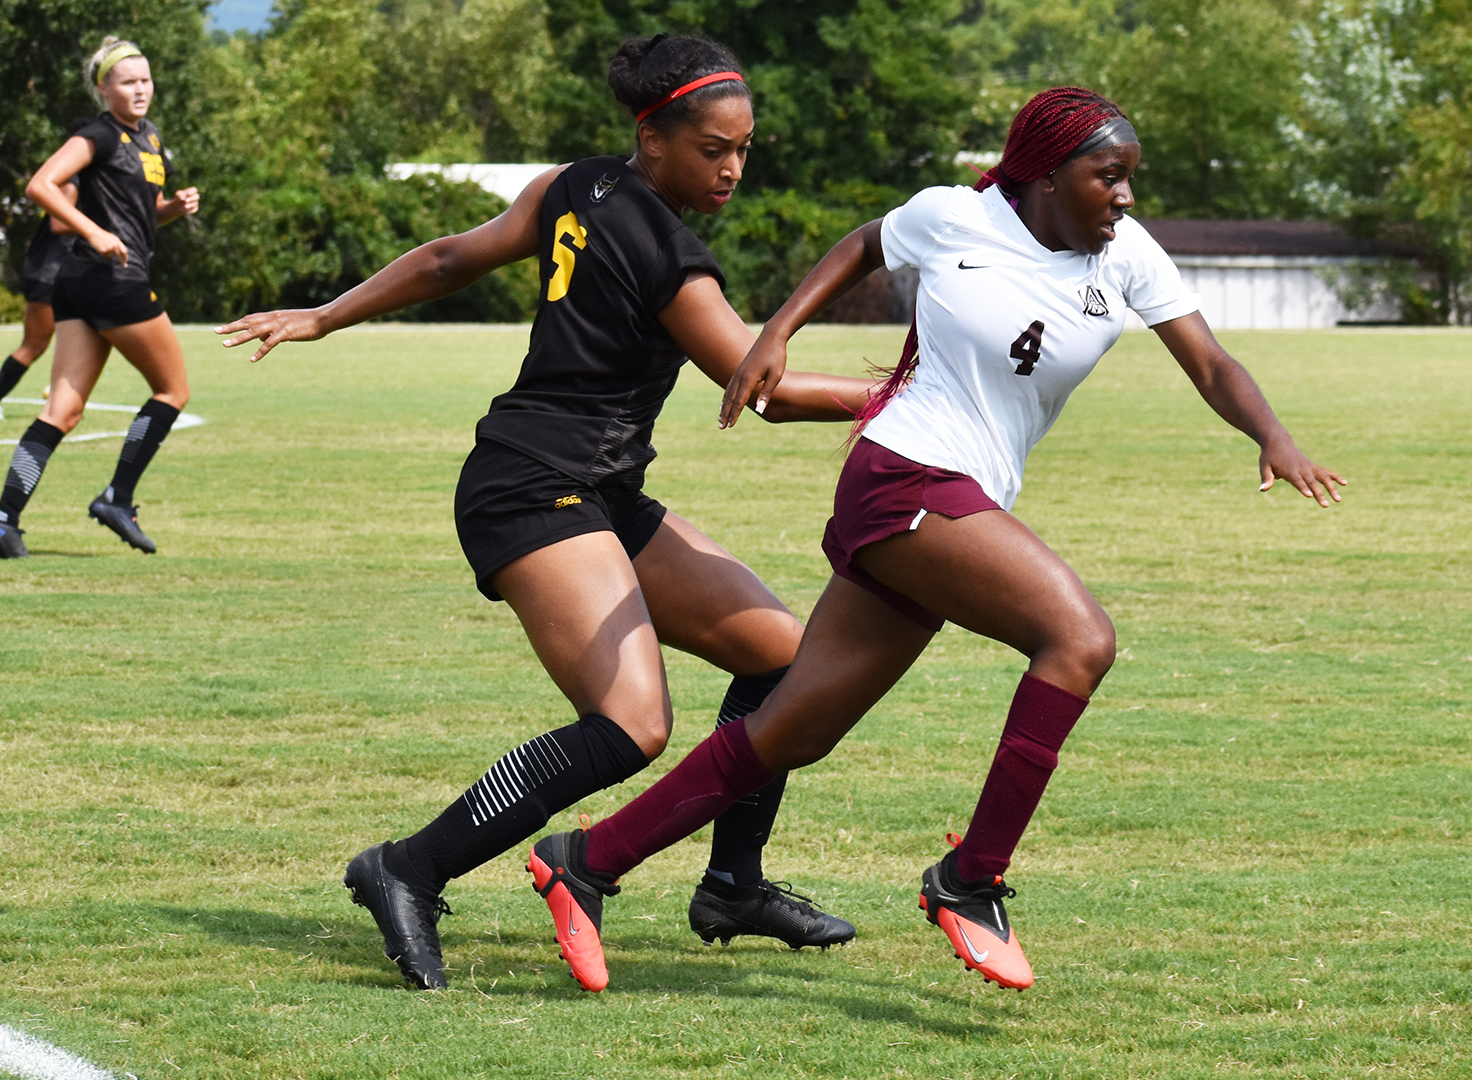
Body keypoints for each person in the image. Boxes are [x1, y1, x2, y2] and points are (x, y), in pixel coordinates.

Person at [522, 86, 1347, 993]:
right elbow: (862, 245)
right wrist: (777, 334)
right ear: (1045, 175)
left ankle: (588, 860)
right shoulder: (956, 217)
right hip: (905, 476)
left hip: (953, 497)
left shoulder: (1130, 257)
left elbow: (1213, 362)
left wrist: (1270, 433)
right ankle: (972, 880)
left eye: (1129, 179)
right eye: (1108, 177)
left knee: (791, 730)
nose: (1124, 197)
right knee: (1079, 639)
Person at [216, 34, 876, 992]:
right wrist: (900, 393)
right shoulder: (667, 249)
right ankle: (408, 867)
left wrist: (324, 314)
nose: (732, 168)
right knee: (630, 723)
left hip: (597, 488)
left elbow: (449, 258)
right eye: (712, 149)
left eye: (743, 149)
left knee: (781, 658)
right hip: (532, 484)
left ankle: (733, 883)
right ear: (652, 137)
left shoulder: (576, 183)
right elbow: (755, 384)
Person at [3, 37, 200, 559]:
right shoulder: (97, 133)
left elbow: (140, 211)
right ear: (103, 88)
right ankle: (118, 497)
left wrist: (172, 209)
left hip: (81, 284)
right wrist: (91, 232)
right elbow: (41, 185)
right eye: (127, 81)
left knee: (63, 410)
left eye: (145, 80)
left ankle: (4, 517)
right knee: (172, 390)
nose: (140, 89)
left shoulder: (151, 138)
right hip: (114, 279)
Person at [0, 183, 79, 416]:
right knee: (33, 346)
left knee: (82, 336)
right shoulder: (73, 182)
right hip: (49, 273)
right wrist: (103, 225)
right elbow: (59, 224)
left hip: (69, 273)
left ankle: (61, 394)